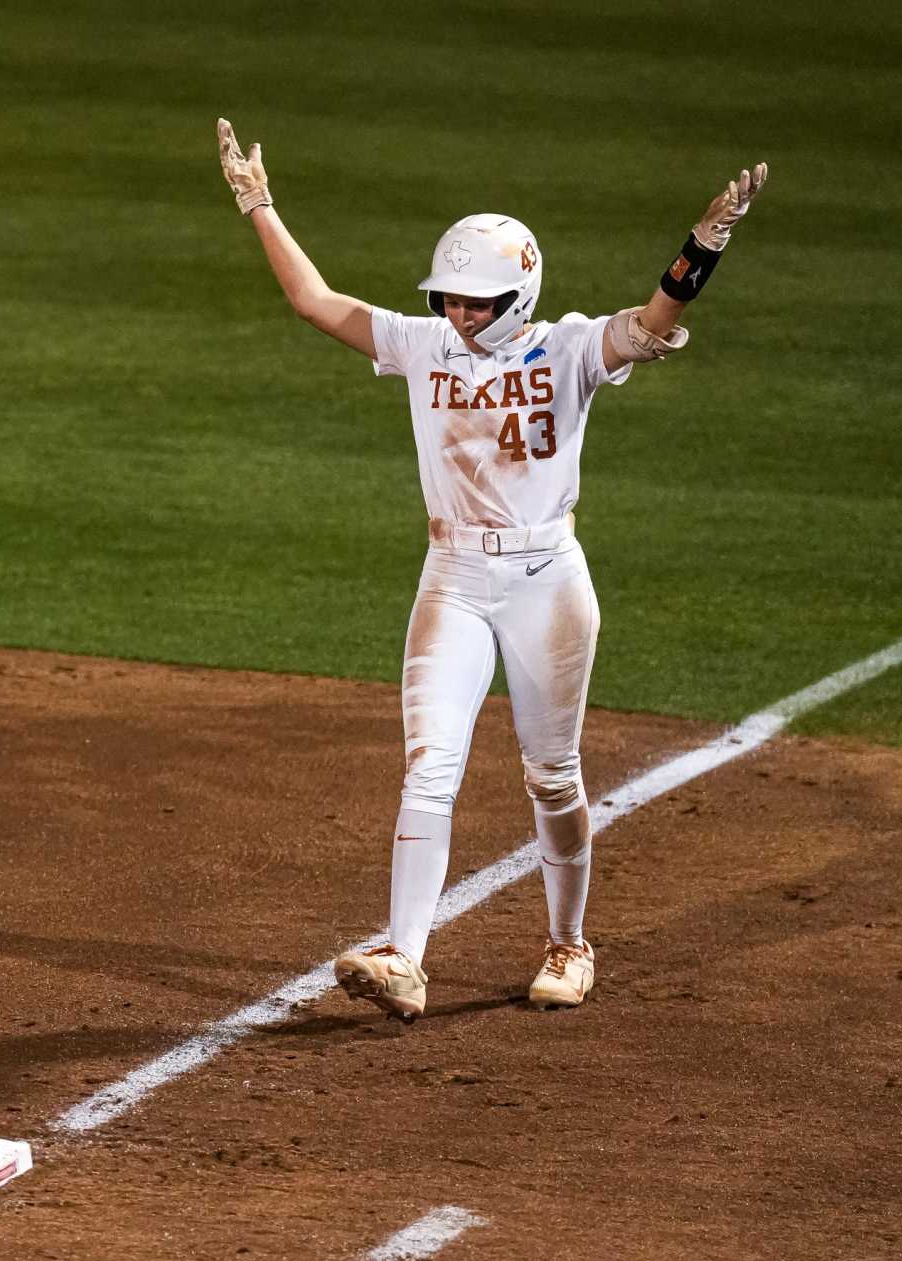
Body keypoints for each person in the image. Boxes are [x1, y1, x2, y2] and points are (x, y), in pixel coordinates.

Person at [216, 117, 767, 1022]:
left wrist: (700, 249)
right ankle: (404, 955)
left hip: (547, 583)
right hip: (453, 580)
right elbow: (315, 301)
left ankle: (569, 943)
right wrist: (259, 205)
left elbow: (650, 324)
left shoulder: (570, 348)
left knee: (552, 774)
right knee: (429, 765)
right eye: (450, 299)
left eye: (476, 302)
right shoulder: (423, 345)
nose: (459, 315)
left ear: (518, 295)